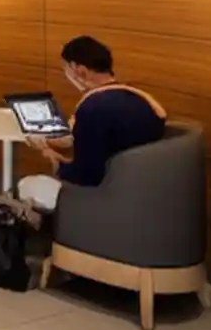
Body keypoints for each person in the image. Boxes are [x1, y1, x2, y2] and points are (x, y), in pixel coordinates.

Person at [17, 36, 167, 212]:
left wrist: (54, 160)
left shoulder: (92, 108)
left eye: (66, 69)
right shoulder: (143, 100)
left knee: (26, 185)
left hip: (102, 197)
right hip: (145, 193)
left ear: (80, 71)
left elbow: (85, 177)